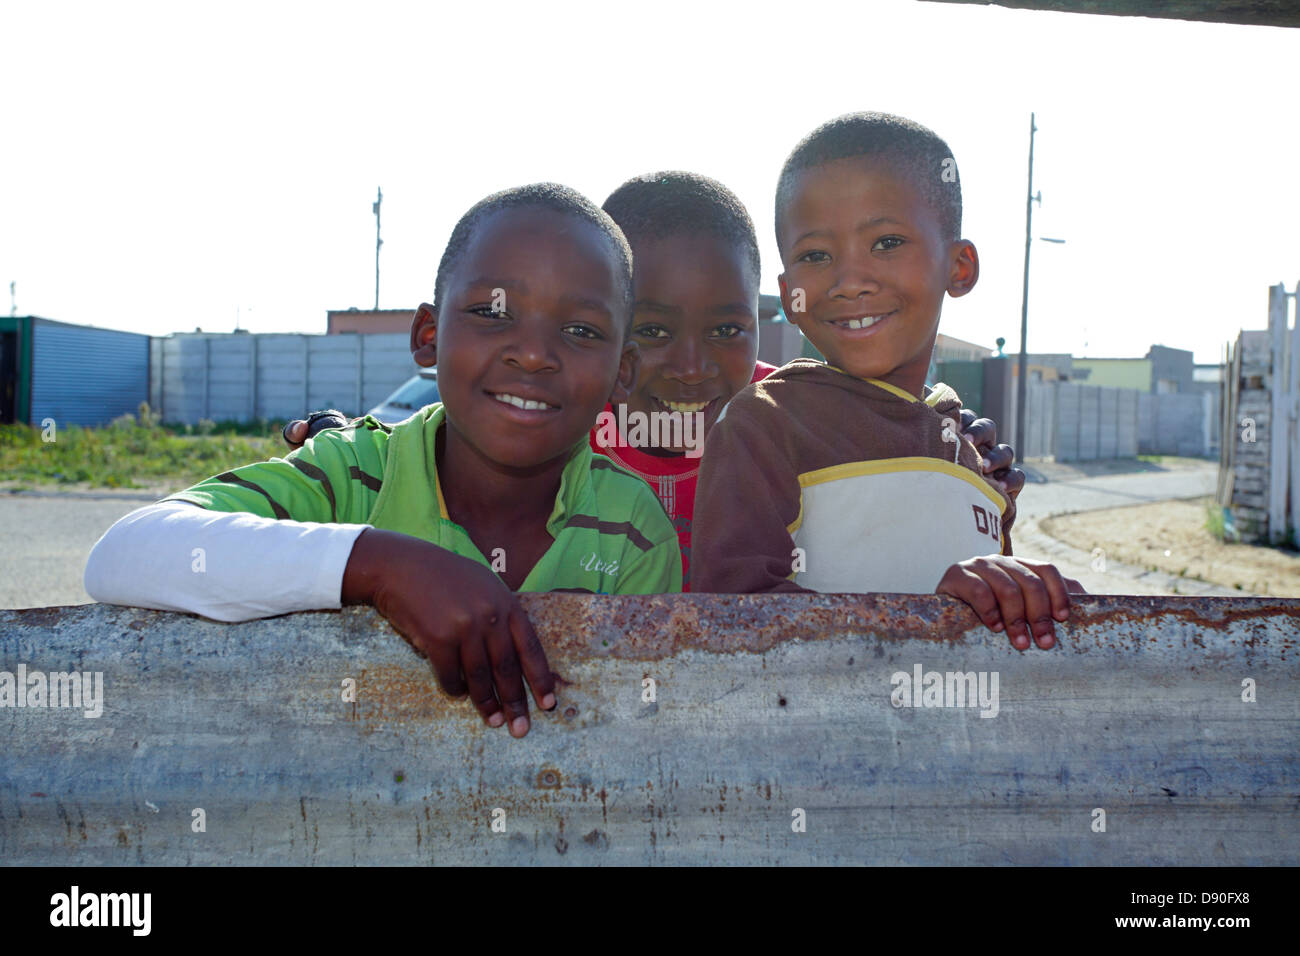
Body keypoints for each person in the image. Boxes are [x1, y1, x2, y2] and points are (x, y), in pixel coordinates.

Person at [85, 183, 682, 738]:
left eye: (580, 329)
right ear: (428, 334)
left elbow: (632, 736)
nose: (532, 354)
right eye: (491, 313)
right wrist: (379, 566)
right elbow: (122, 554)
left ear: (622, 372)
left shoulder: (633, 532)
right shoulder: (350, 477)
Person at [286, 172, 1025, 585]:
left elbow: (905, 454)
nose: (694, 367)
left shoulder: (794, 416)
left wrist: (955, 450)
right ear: (609, 344)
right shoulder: (555, 434)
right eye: (652, 330)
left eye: (729, 330)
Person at [690, 112, 1080, 651]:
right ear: (788, 295)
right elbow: (729, 625)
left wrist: (1040, 602)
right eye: (816, 256)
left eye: (887, 242)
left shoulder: (973, 452)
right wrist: (921, 617)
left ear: (959, 266)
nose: (850, 281)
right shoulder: (764, 425)